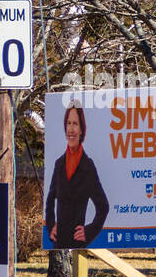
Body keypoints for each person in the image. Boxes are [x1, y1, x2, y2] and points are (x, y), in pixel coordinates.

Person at [45, 101, 109, 248]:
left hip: (77, 243)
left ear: (81, 129)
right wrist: (50, 225)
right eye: (68, 123)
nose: (71, 129)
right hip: (58, 243)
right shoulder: (59, 164)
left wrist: (90, 231)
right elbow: (50, 200)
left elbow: (103, 206)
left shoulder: (88, 167)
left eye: (75, 124)